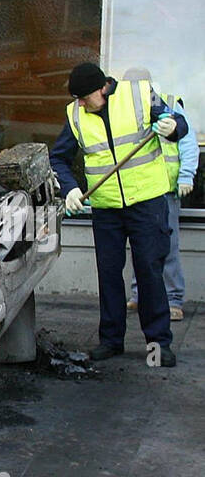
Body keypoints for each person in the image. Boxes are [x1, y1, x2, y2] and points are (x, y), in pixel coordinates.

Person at [49, 61, 185, 366]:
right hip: (106, 206)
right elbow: (58, 158)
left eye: (84, 98)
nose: (80, 104)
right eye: (77, 100)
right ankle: (111, 341)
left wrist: (173, 127)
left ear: (103, 88)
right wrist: (70, 188)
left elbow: (178, 123)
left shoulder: (139, 96)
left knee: (149, 270)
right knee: (109, 273)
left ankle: (158, 345)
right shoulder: (76, 115)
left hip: (147, 202)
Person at [123, 72, 195, 322]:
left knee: (168, 245)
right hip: (142, 189)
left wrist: (186, 176)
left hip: (165, 190)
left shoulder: (170, 104)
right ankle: (139, 295)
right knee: (141, 245)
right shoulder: (127, 110)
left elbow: (187, 142)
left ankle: (173, 298)